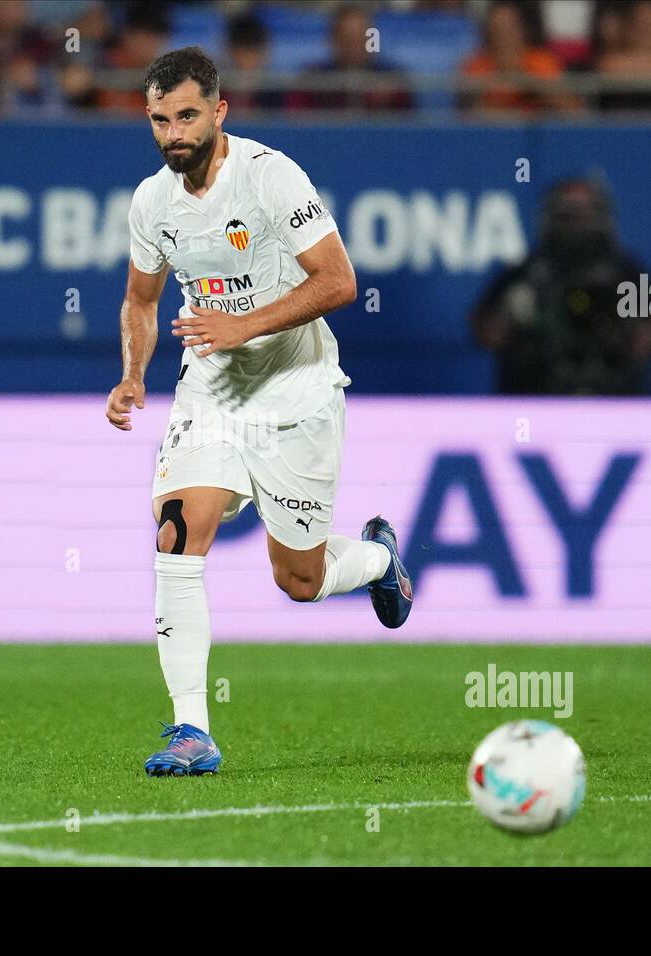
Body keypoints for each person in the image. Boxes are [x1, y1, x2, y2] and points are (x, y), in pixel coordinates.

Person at [107, 47, 413, 777]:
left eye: (187, 116)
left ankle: (378, 559)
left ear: (219, 111)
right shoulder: (151, 203)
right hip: (212, 390)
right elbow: (142, 300)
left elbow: (338, 281)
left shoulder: (270, 176)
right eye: (159, 120)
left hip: (297, 391)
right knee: (177, 531)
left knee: (299, 581)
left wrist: (242, 326)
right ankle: (192, 730)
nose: (174, 133)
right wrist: (132, 374)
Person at [469, 177, 651, 395]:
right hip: (538, 394)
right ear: (551, 215)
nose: (578, 222)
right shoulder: (526, 272)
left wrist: (633, 332)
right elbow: (484, 329)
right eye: (568, 214)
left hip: (612, 394)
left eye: (586, 213)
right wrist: (509, 316)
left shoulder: (625, 272)